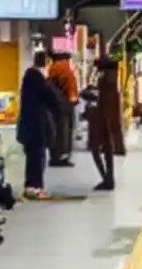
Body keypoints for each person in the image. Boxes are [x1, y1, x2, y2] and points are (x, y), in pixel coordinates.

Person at [17, 51, 62, 199]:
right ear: (46, 62)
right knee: (37, 157)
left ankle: (32, 186)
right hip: (35, 126)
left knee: (34, 157)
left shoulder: (30, 78)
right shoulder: (37, 78)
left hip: (30, 125)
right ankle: (35, 187)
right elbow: (51, 98)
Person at [85, 58, 126, 191]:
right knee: (105, 149)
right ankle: (108, 178)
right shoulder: (113, 87)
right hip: (106, 122)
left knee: (97, 149)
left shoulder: (107, 87)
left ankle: (107, 178)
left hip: (102, 122)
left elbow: (103, 106)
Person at [47, 52, 79, 167]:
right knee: (64, 131)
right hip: (64, 105)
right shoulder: (63, 69)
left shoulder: (52, 69)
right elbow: (70, 87)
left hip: (55, 105)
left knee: (57, 130)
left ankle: (56, 155)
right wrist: (73, 99)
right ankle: (60, 156)